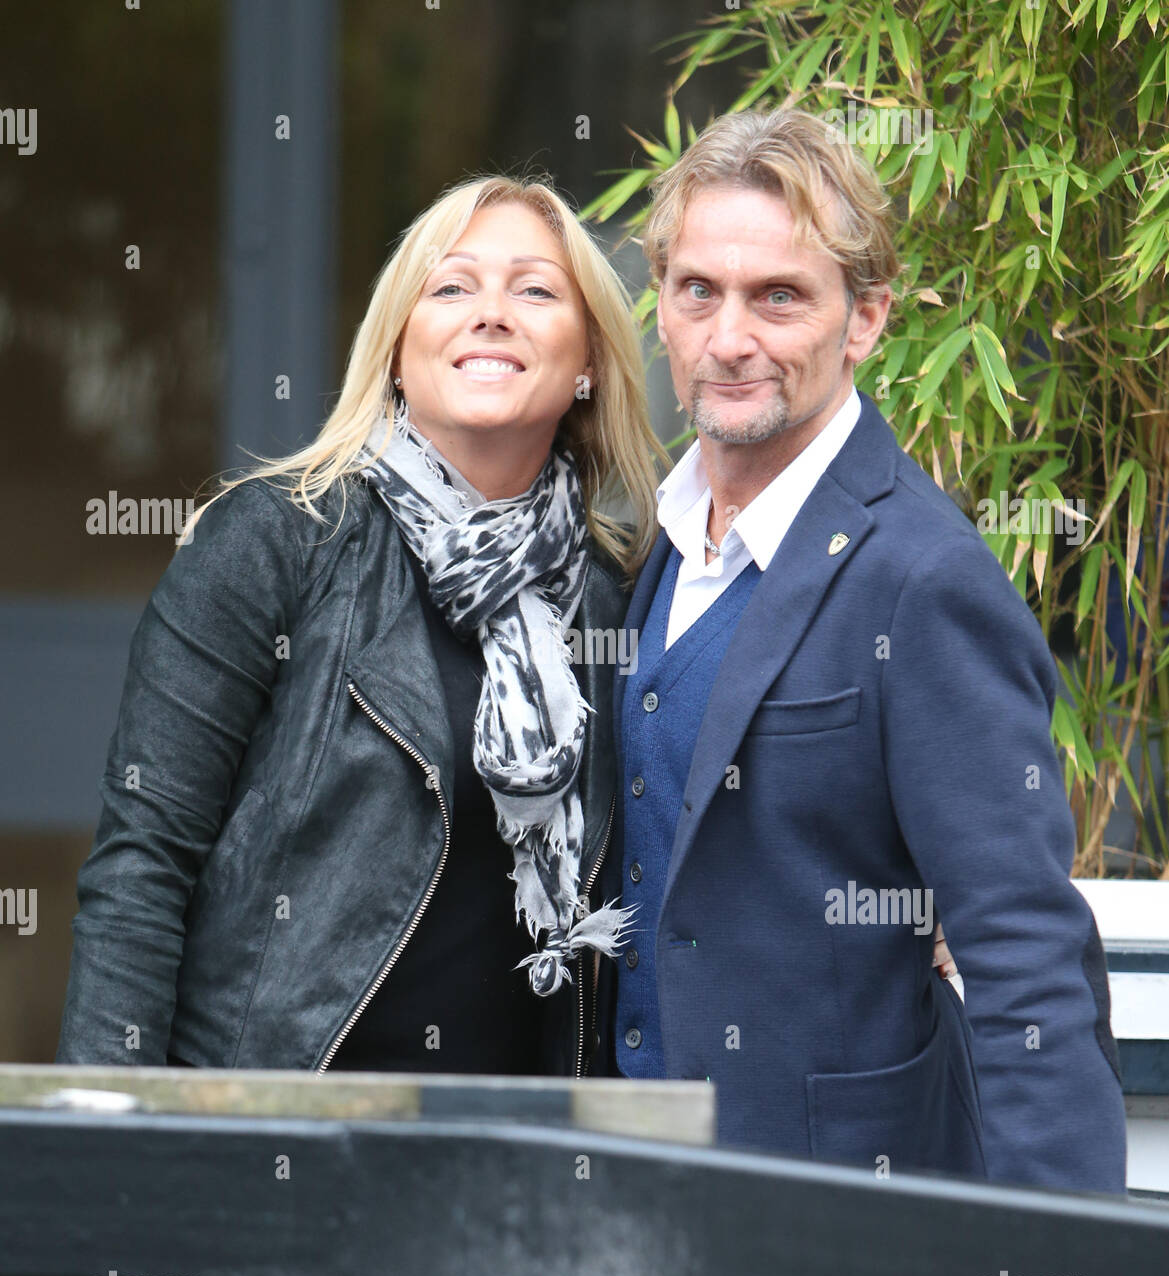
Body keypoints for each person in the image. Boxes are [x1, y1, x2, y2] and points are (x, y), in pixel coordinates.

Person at [597, 109, 1128, 1194]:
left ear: (866, 320)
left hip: (838, 1210)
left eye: (778, 296)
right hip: (632, 1193)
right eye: (698, 290)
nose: (729, 335)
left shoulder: (921, 577)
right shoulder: (651, 539)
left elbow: (1025, 957)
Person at [55, 175, 664, 1078]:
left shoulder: (623, 596)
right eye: (451, 287)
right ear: (394, 348)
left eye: (534, 290)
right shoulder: (275, 540)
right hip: (280, 1133)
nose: (490, 313)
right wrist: (114, 1135)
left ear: (587, 364)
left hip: (513, 1159)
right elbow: (144, 865)